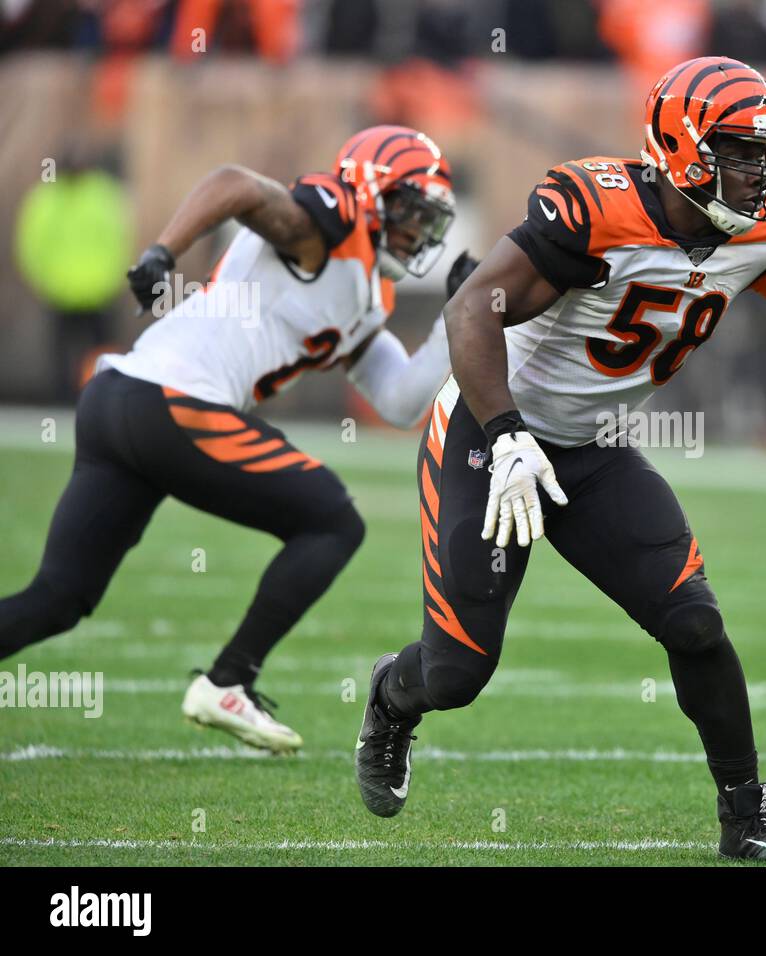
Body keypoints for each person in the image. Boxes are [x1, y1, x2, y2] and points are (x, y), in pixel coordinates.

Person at [352, 57, 766, 863]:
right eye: (740, 151)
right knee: (458, 672)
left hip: (595, 451)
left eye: (763, 152)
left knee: (696, 624)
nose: (759, 173)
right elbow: (476, 307)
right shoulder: (596, 208)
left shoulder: (759, 231)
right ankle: (391, 700)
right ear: (680, 146)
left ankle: (745, 817)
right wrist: (505, 433)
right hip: (488, 436)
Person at [0, 126, 461, 753]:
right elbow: (235, 184)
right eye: (410, 210)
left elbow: (403, 400)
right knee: (333, 520)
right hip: (171, 402)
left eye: (426, 219)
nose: (417, 231)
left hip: (118, 403)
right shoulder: (329, 222)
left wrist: (455, 320)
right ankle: (229, 681)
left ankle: (228, 681)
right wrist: (164, 250)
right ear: (370, 193)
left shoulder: (367, 290)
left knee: (57, 599)